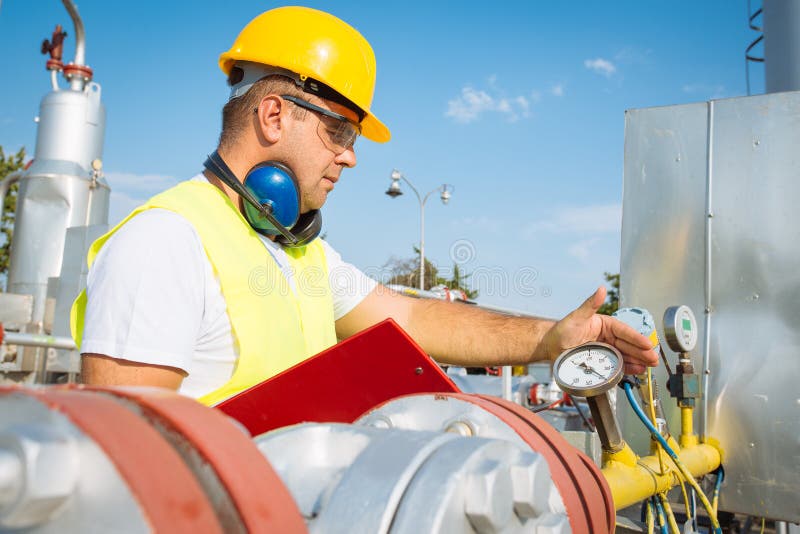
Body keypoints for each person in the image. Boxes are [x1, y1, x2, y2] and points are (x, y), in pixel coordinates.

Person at [73, 6, 656, 405]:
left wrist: (549, 339)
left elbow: (415, 317)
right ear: (275, 115)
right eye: (341, 133)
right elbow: (129, 462)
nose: (350, 159)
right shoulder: (165, 243)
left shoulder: (299, 254)